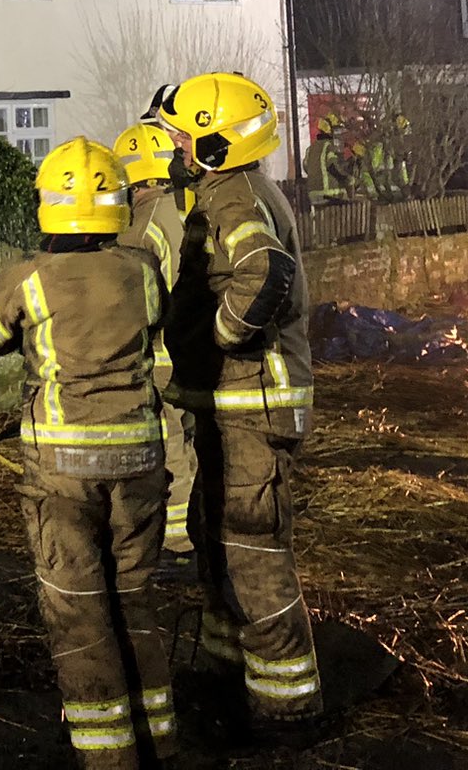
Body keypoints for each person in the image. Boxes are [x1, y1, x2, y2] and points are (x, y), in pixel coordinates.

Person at [0, 137, 176, 767]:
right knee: (135, 596)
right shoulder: (142, 269)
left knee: (79, 608)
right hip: (139, 460)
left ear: (48, 205)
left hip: (64, 470)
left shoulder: (28, 278)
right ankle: (160, 739)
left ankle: (107, 755)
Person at [150, 72, 324, 730]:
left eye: (181, 137)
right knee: (214, 536)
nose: (173, 146)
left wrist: (221, 338)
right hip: (231, 406)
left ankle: (288, 709)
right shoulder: (225, 191)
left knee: (251, 550)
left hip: (255, 403)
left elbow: (265, 271)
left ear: (217, 144)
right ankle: (229, 674)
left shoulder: (234, 196)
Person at [113, 120, 198, 558]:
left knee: (167, 445)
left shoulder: (140, 228)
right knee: (187, 439)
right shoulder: (181, 210)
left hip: (159, 358)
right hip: (189, 352)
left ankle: (178, 540)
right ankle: (196, 528)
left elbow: (129, 304)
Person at [307, 115, 350, 206]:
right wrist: (344, 178)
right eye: (336, 131)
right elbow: (332, 167)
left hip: (312, 193)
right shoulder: (329, 146)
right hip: (328, 193)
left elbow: (306, 166)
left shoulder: (311, 148)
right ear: (330, 131)